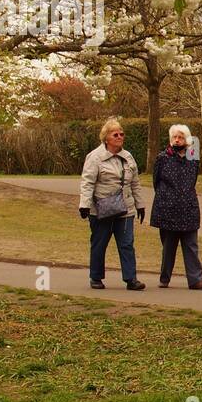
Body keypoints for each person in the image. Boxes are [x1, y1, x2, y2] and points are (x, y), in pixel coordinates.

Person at [78, 118, 146, 290]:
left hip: (126, 209)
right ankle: (96, 277)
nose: (119, 137)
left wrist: (140, 205)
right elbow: (87, 182)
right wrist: (84, 204)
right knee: (99, 243)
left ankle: (131, 279)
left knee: (127, 244)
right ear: (106, 138)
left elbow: (135, 183)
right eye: (115, 134)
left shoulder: (128, 156)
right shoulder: (95, 157)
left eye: (121, 134)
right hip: (102, 209)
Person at [151, 124, 202, 290]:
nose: (177, 140)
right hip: (168, 207)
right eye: (174, 137)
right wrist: (166, 197)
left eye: (181, 137)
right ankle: (165, 278)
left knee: (191, 245)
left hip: (188, 207)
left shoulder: (192, 156)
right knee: (168, 245)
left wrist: (190, 142)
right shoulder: (163, 157)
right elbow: (156, 182)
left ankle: (195, 280)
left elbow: (195, 146)